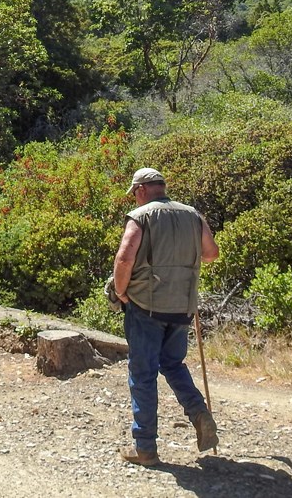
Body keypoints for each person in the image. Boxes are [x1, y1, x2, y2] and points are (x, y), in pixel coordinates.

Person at [113, 167, 221, 466]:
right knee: (172, 364)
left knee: (143, 373)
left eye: (134, 193)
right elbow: (211, 253)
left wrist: (121, 292)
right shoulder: (193, 215)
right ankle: (199, 413)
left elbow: (125, 256)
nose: (135, 198)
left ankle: (145, 447)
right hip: (182, 307)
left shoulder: (142, 216)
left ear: (142, 190)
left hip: (146, 305)